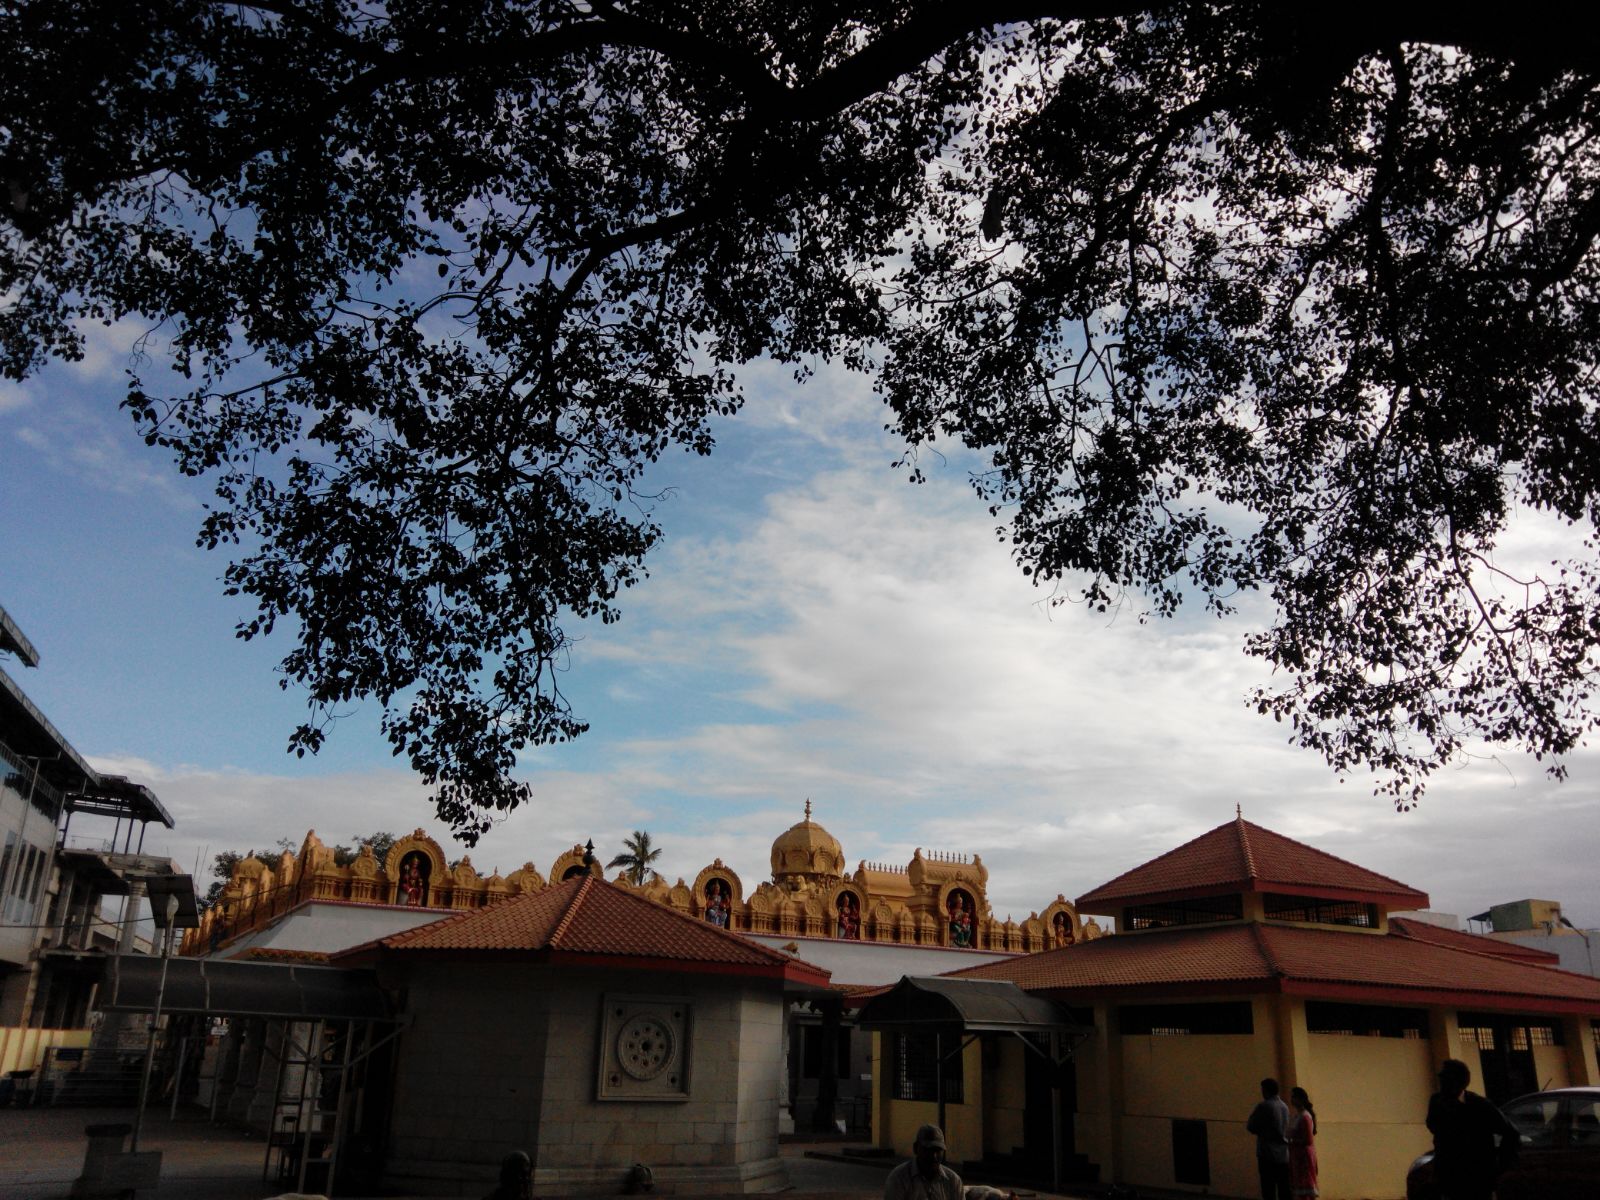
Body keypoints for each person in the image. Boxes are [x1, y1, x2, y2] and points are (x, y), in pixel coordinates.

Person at [1425, 1059, 1517, 1200]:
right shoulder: (1437, 1102)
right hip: (1449, 1179)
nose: (1442, 1085)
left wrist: (1499, 1167)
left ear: (1458, 1083)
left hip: (1477, 1179)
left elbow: (1510, 1133)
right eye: (1442, 1080)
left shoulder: (1481, 1106)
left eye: (1447, 1081)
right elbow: (1433, 1127)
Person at [884, 1123, 963, 1200]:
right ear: (915, 1148)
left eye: (938, 1150)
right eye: (928, 1150)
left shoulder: (953, 1181)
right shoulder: (899, 1178)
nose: (933, 1156)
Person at [1246, 1077, 1292, 1200]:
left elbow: (1251, 1126)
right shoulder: (1284, 1107)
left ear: (1266, 1090)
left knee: (1268, 1189)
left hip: (1267, 1153)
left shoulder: (1264, 1106)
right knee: (1284, 1189)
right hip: (1283, 1154)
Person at [1287, 1086, 1318, 1199]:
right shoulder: (1297, 1116)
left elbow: (1308, 1140)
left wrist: (1291, 1141)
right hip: (1297, 1156)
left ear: (1300, 1099)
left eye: (1293, 1097)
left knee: (1305, 1189)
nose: (1291, 1099)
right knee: (1300, 1189)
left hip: (1303, 1157)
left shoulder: (1305, 1117)